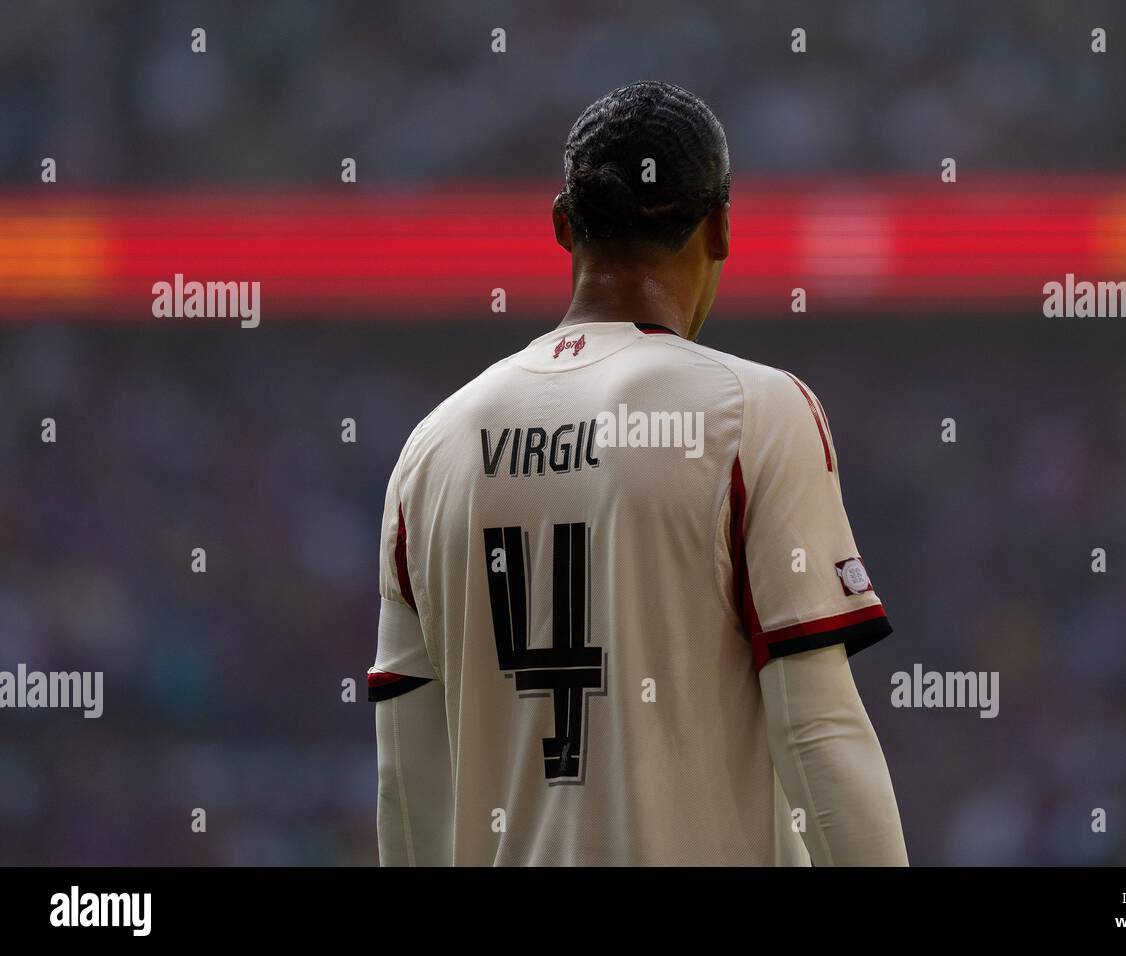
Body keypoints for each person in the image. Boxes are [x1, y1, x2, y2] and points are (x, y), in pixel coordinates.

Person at [371, 80, 907, 866]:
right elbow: (817, 730)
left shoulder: (432, 447)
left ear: (563, 225)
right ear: (721, 225)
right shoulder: (752, 409)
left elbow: (406, 780)